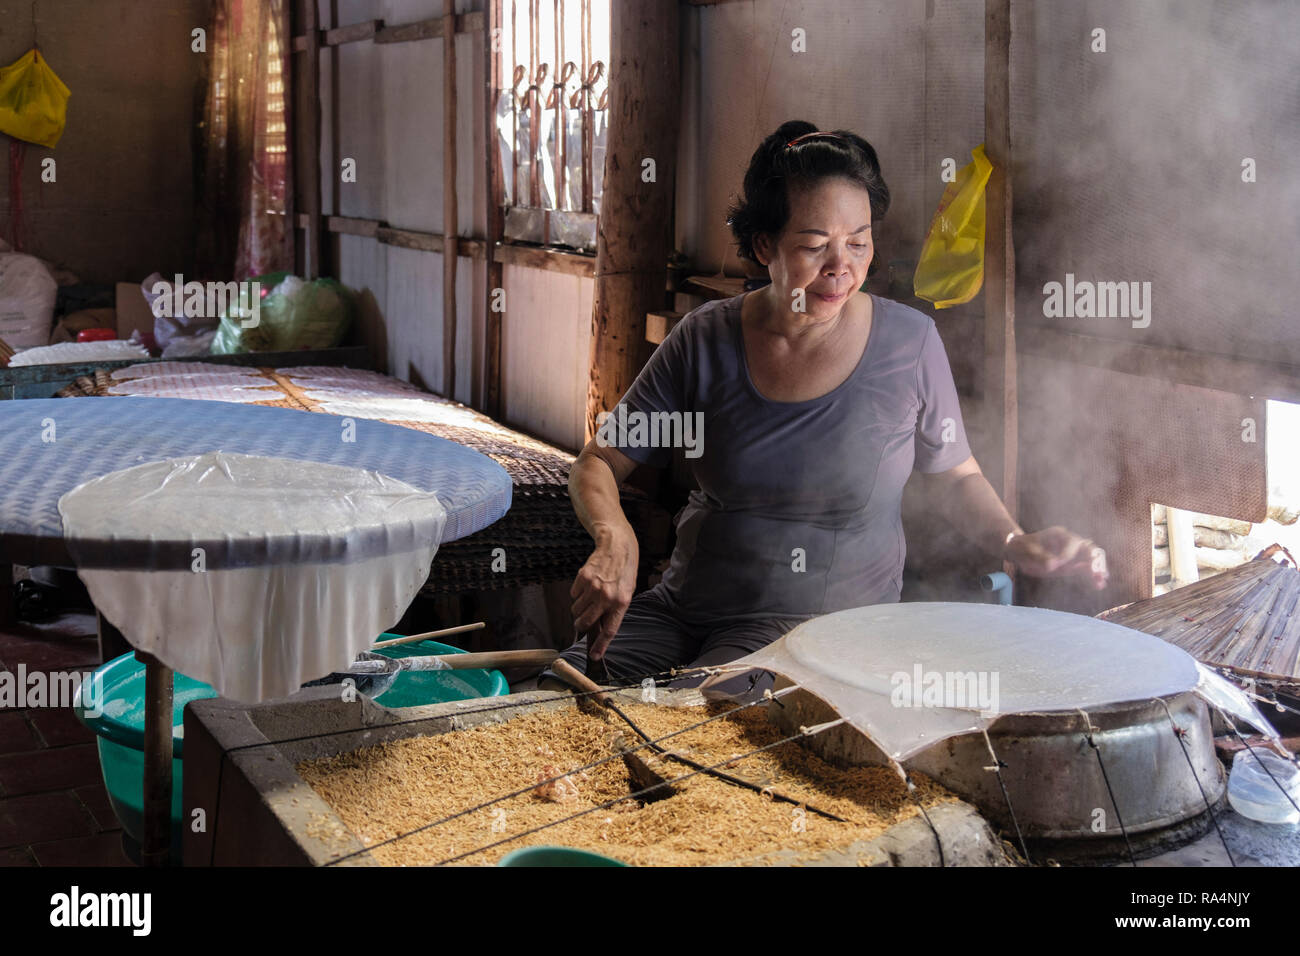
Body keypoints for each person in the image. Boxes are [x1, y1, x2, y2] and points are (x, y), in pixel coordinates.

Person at [542, 120, 1107, 693]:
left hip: (816, 630)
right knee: (551, 700)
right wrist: (615, 537)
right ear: (765, 246)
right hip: (683, 608)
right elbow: (599, 462)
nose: (842, 266)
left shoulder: (908, 344)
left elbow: (957, 474)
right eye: (815, 246)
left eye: (859, 242)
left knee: (689, 729)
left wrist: (1017, 542)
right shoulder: (704, 340)